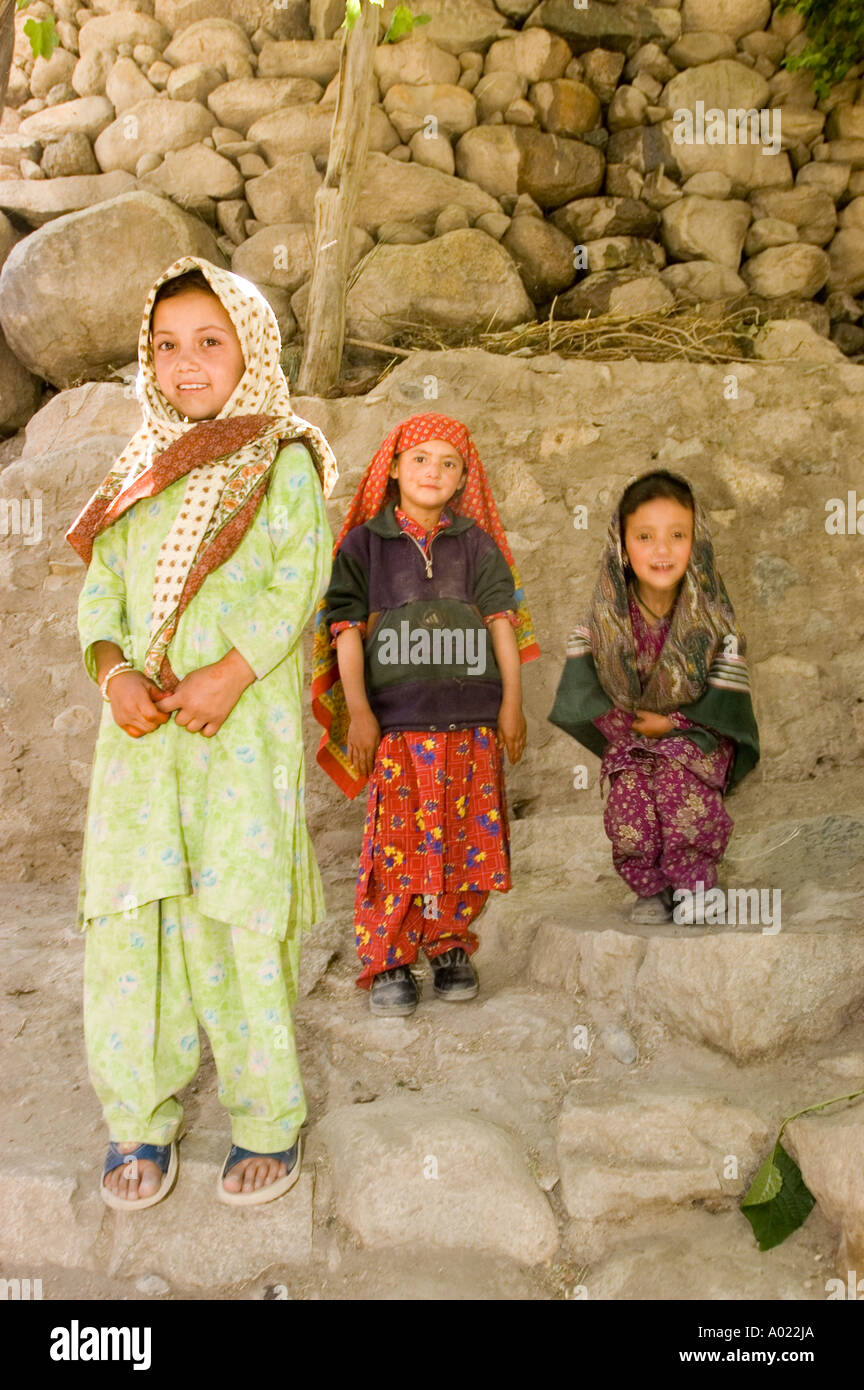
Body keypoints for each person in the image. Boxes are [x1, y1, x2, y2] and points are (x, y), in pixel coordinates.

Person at [66, 256, 338, 1209]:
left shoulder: (283, 459)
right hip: (140, 748)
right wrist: (114, 672)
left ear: (252, 350)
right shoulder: (135, 471)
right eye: (167, 346)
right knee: (132, 925)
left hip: (237, 736)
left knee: (234, 921)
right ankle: (138, 1118)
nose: (187, 365)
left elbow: (299, 579)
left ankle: (266, 1120)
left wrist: (229, 673)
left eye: (210, 343)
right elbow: (100, 593)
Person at [312, 414, 540, 1014]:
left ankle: (447, 944)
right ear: (392, 467)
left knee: (466, 842)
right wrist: (360, 712)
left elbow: (501, 623)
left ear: (465, 475)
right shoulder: (365, 546)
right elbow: (345, 632)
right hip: (399, 728)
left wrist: (510, 704)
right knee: (398, 845)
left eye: (448, 462)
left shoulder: (476, 544)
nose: (432, 472)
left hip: (473, 725)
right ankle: (388, 958)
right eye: (419, 459)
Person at [548, 470, 759, 923]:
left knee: (677, 784)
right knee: (630, 800)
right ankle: (651, 887)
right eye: (645, 536)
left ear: (696, 541)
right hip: (633, 737)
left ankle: (697, 884)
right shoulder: (606, 617)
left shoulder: (711, 616)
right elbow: (586, 687)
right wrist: (631, 733)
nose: (661, 550)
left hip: (698, 737)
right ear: (622, 544)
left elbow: (727, 699)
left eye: (677, 535)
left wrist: (676, 726)